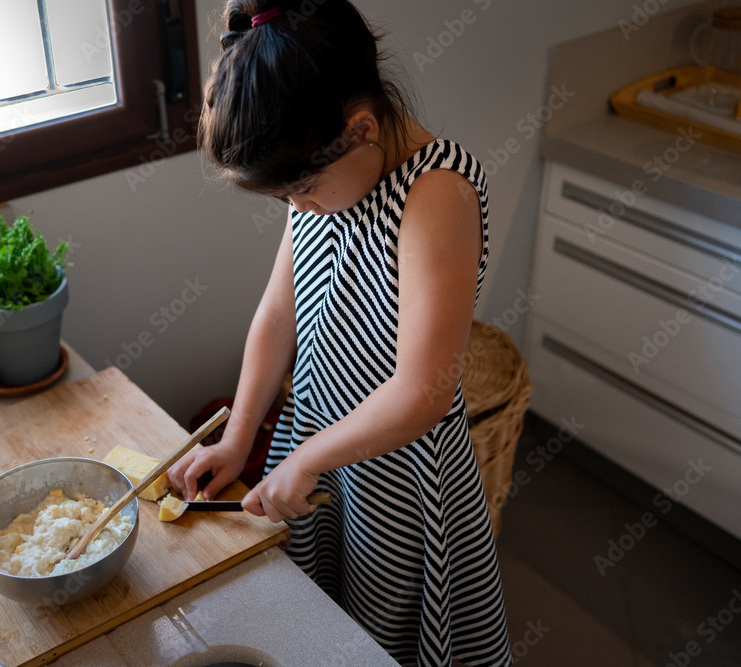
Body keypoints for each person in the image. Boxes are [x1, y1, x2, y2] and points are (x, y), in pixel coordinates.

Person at [167, 1, 512, 665]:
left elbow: (423, 391)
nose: (296, 208)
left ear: (359, 128)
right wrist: (240, 434)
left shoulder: (436, 191)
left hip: (396, 478)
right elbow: (277, 314)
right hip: (319, 445)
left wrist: (308, 459)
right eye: (283, 198)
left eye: (301, 189)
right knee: (319, 626)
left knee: (379, 642)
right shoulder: (327, 175)